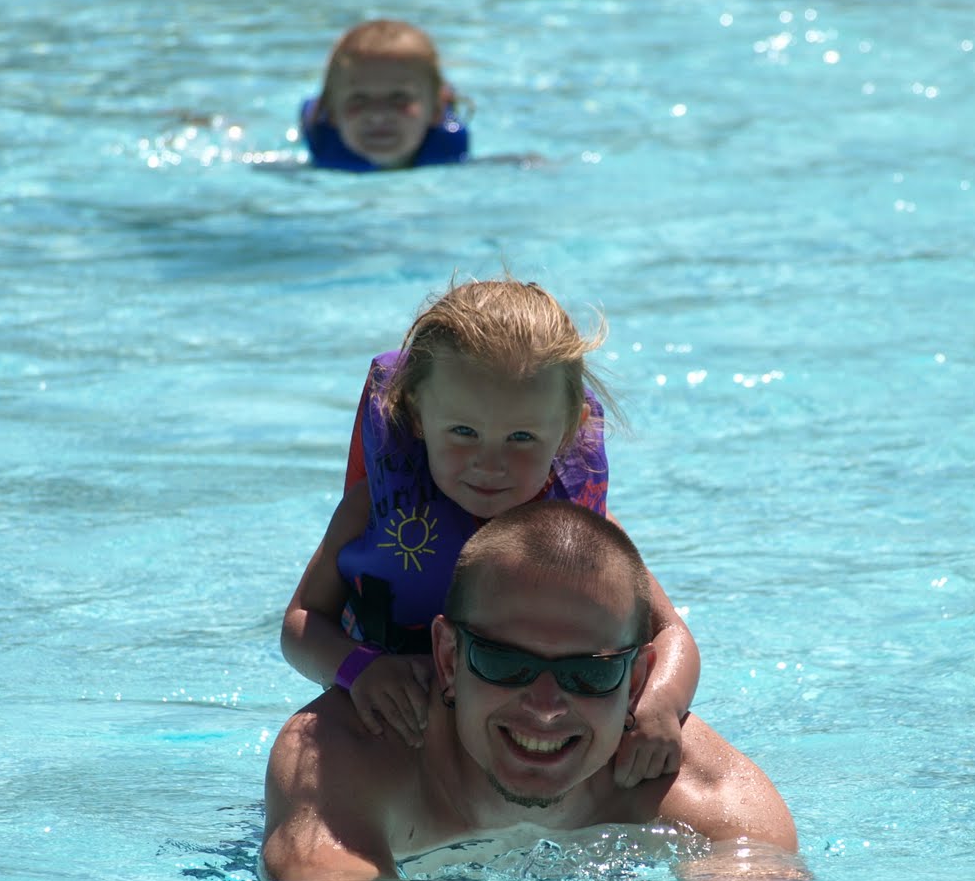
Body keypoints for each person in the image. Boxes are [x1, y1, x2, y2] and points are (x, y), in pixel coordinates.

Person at [264, 501, 802, 881]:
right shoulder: (348, 750)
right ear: (449, 658)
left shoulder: (681, 775)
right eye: (505, 663)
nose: (545, 706)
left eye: (588, 674)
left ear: (637, 680)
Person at [281, 278, 700, 787]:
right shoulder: (371, 509)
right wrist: (359, 668)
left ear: (566, 430)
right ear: (417, 415)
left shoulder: (578, 535)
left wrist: (661, 701)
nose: (490, 463)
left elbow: (672, 634)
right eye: (463, 433)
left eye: (521, 437)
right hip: (399, 727)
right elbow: (300, 624)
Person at [300, 19, 469, 172]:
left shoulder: (451, 156)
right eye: (359, 99)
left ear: (436, 110)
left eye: (398, 98)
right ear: (332, 112)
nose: (377, 116)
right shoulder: (317, 152)